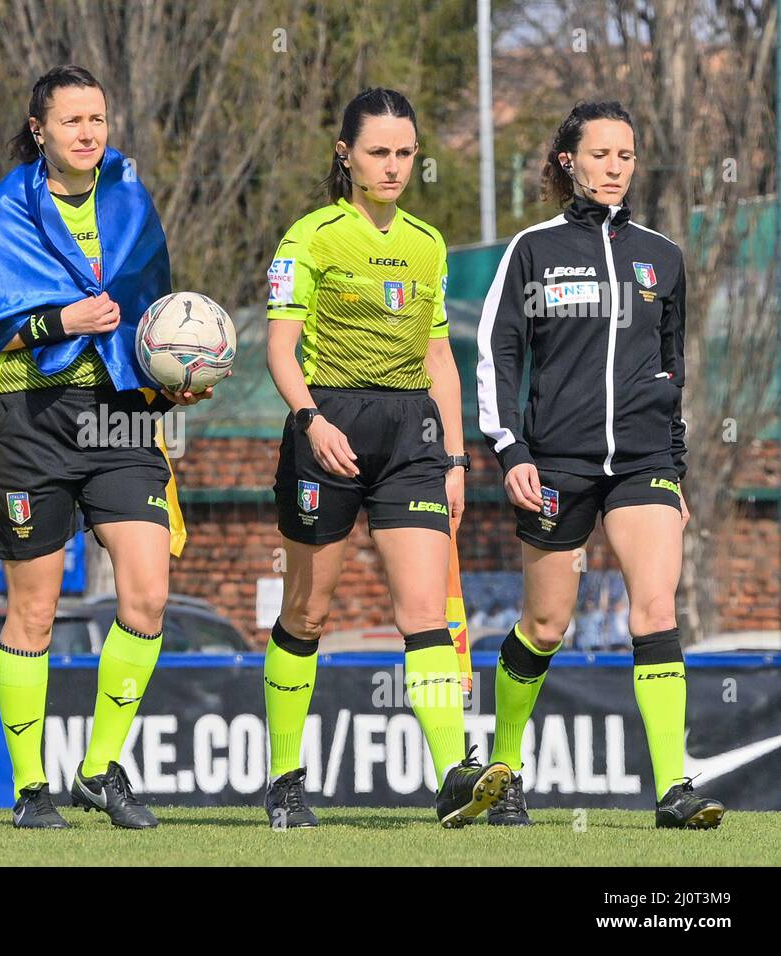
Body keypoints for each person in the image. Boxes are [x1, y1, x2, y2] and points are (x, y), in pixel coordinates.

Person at [0, 66, 213, 830]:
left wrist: (172, 380)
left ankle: (100, 770)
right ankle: (33, 788)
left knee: (148, 591)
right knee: (32, 610)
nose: (89, 133)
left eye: (98, 119)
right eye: (72, 121)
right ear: (40, 130)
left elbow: (146, 317)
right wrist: (53, 324)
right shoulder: (3, 214)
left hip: (121, 418)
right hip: (32, 419)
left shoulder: (130, 201)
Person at [263, 87, 510, 829]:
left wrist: (458, 455)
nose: (395, 165)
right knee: (307, 611)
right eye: (379, 152)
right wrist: (310, 420)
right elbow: (280, 347)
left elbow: (440, 354)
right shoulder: (309, 238)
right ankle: (282, 779)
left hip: (413, 435)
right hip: (328, 425)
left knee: (425, 612)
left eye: (406, 153)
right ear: (346, 155)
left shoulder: (428, 243)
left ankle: (452, 777)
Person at [477, 100, 724, 829]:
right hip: (557, 460)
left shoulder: (663, 257)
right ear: (568, 162)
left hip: (644, 461)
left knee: (655, 610)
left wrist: (673, 470)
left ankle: (673, 792)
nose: (614, 168)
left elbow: (672, 370)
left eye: (626, 156)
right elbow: (498, 350)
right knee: (547, 625)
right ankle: (505, 772)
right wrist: (510, 447)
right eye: (600, 155)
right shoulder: (533, 250)